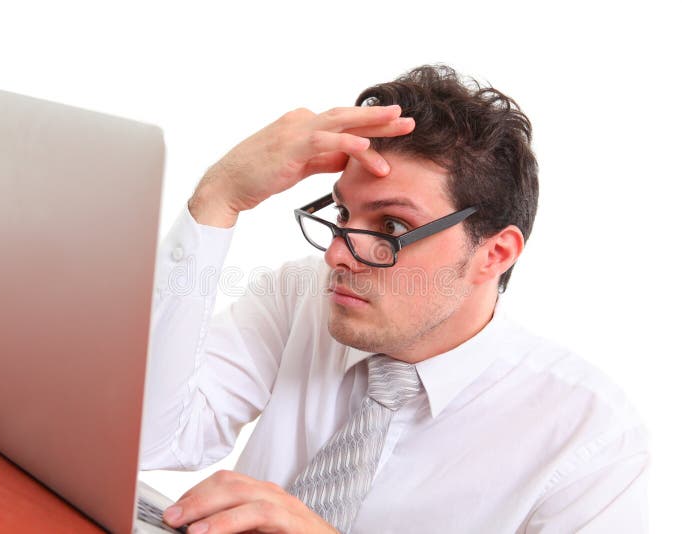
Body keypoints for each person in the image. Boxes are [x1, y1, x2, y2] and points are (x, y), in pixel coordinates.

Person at [140, 65, 649, 533]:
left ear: (494, 254)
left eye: (392, 226)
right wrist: (219, 196)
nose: (338, 255)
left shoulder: (590, 436)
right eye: (342, 215)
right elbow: (150, 436)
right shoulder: (301, 299)